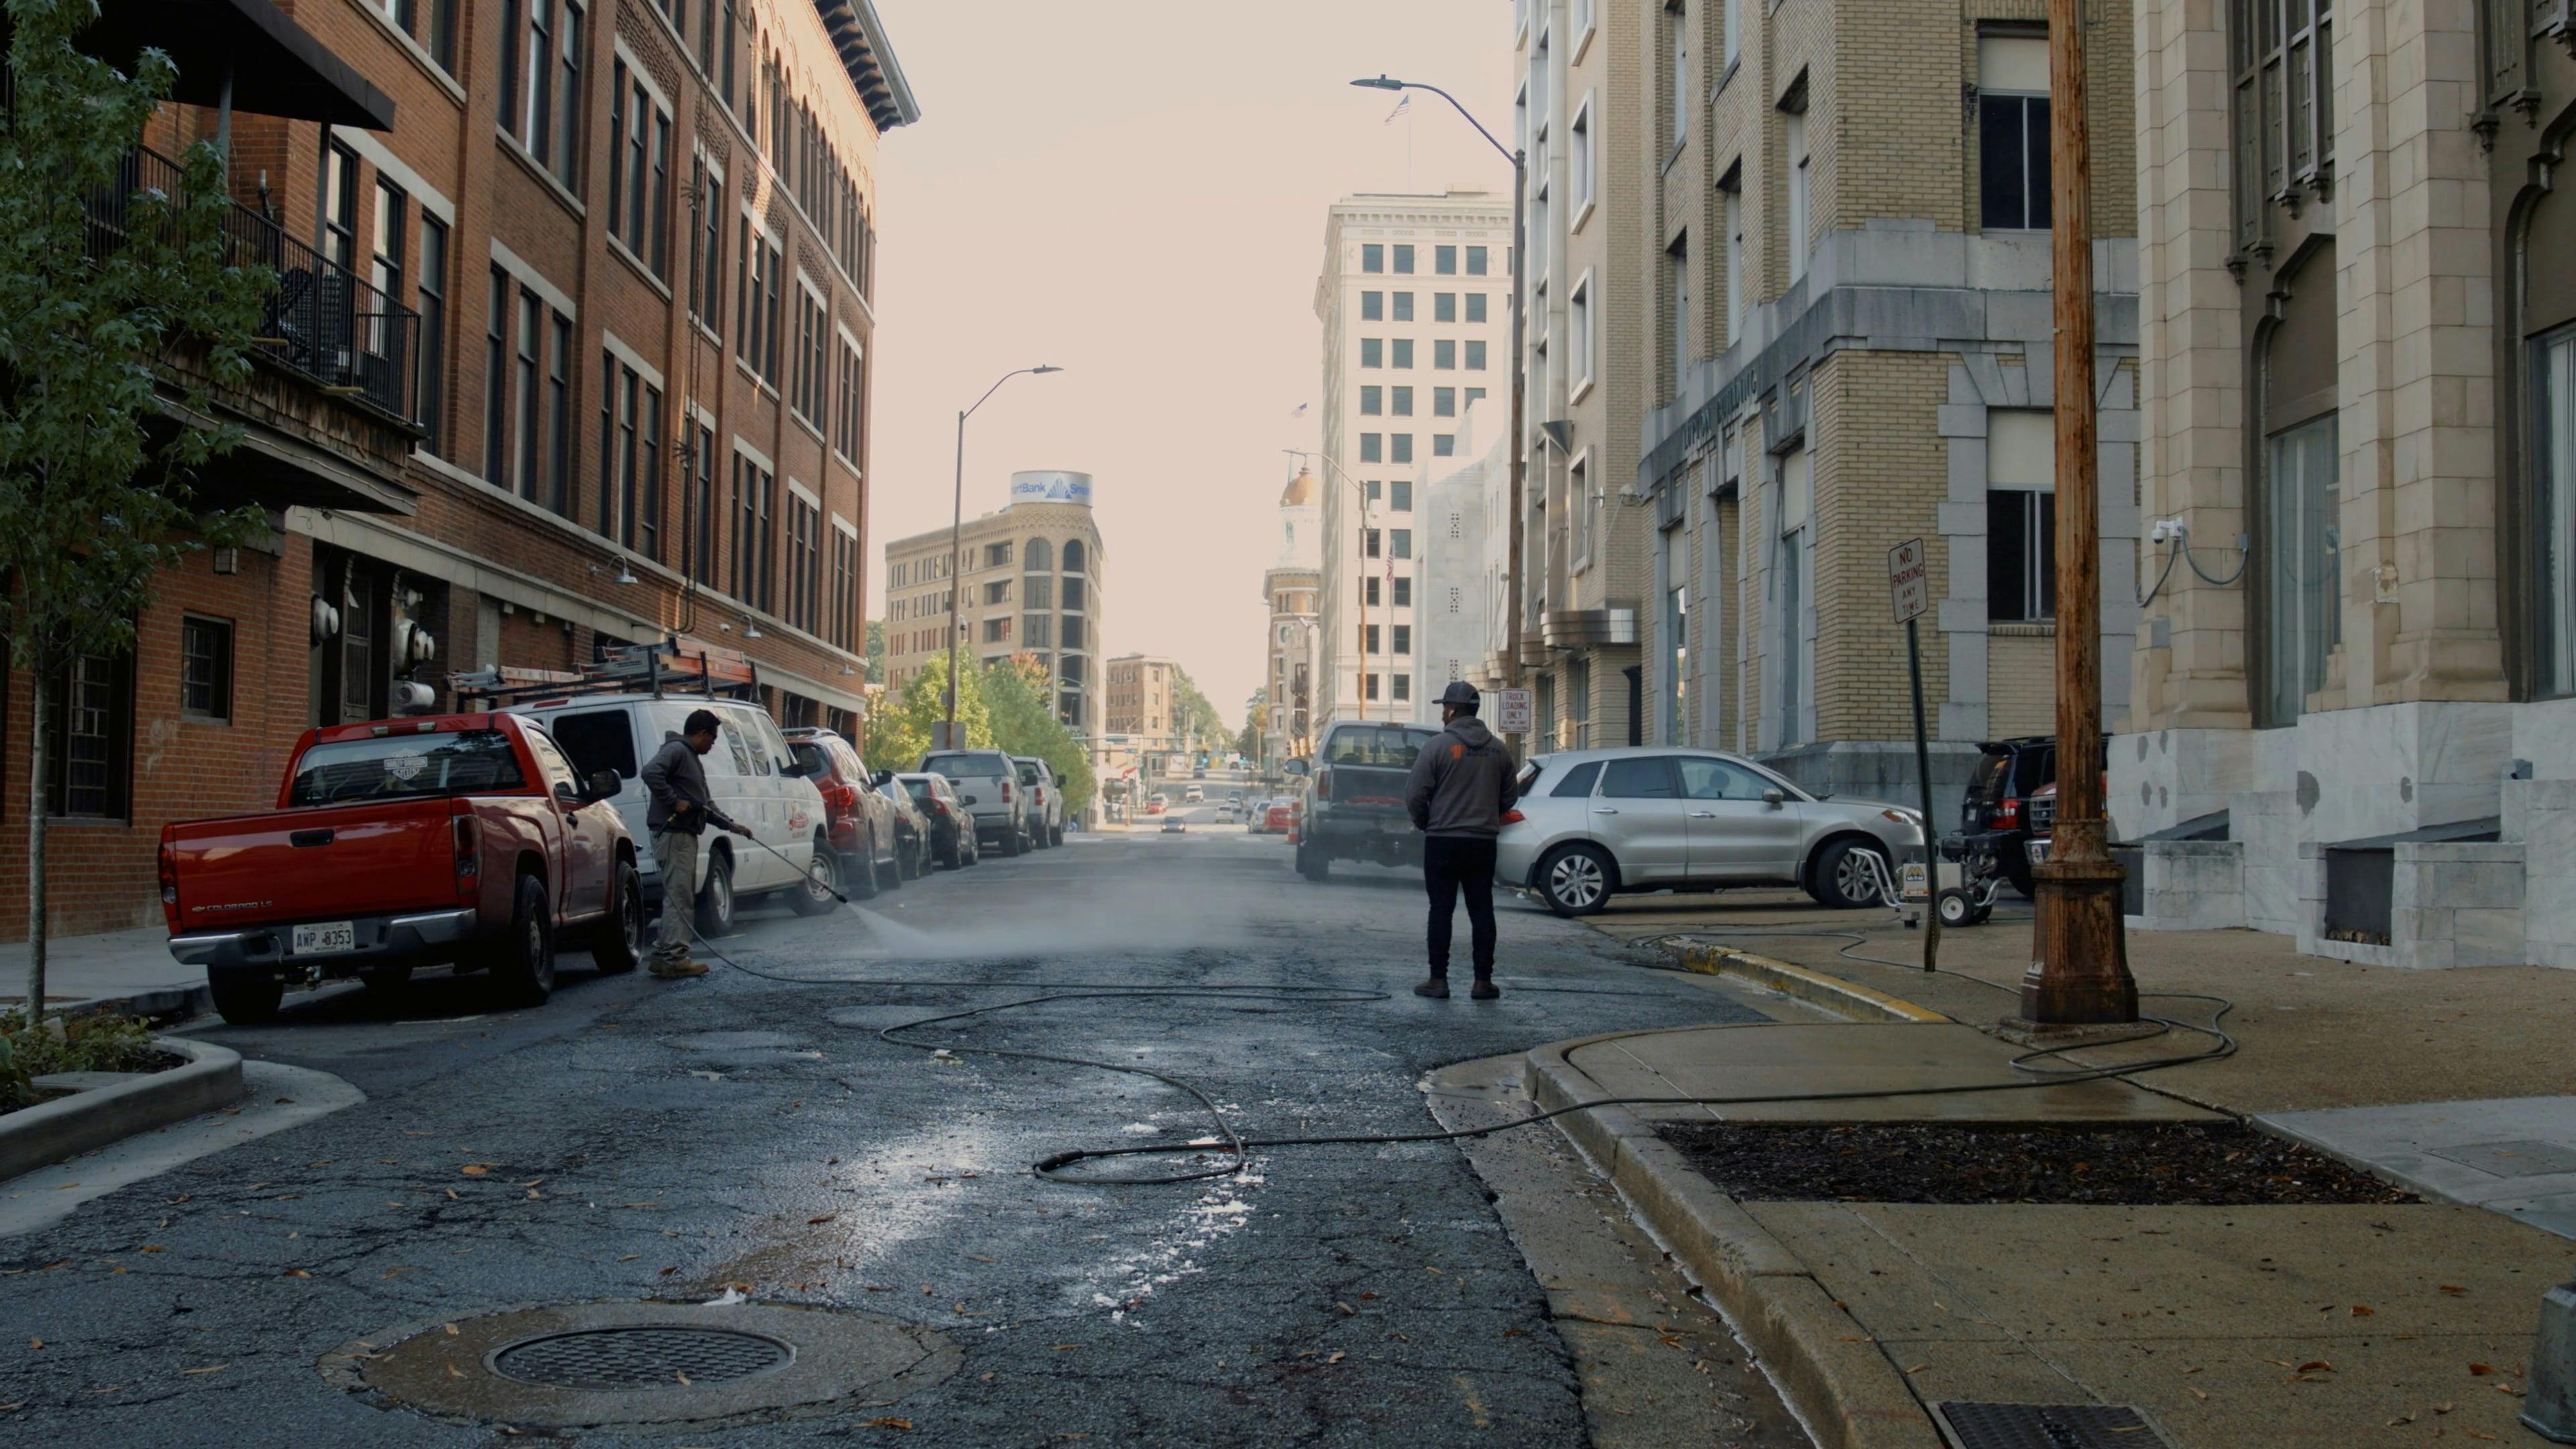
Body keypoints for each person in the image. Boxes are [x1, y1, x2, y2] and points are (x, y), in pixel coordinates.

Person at [1404, 681, 1519, 1000]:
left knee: (1441, 909)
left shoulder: (1437, 747)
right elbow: (1510, 795)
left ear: (1453, 710)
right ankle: (1483, 982)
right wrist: (1487, 815)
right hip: (1482, 842)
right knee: (1482, 909)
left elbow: (1415, 794)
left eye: (1444, 707)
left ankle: (1438, 980)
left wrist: (1426, 822)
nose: (1442, 714)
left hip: (1443, 840)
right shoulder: (1498, 749)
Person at [640, 709, 755, 981]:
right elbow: (650, 772)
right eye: (712, 739)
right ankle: (675, 959)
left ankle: (662, 955)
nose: (712, 744)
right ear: (702, 733)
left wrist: (731, 825)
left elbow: (703, 804)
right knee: (680, 896)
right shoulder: (678, 751)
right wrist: (673, 800)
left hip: (682, 835)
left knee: (678, 895)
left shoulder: (689, 757)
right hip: (675, 834)